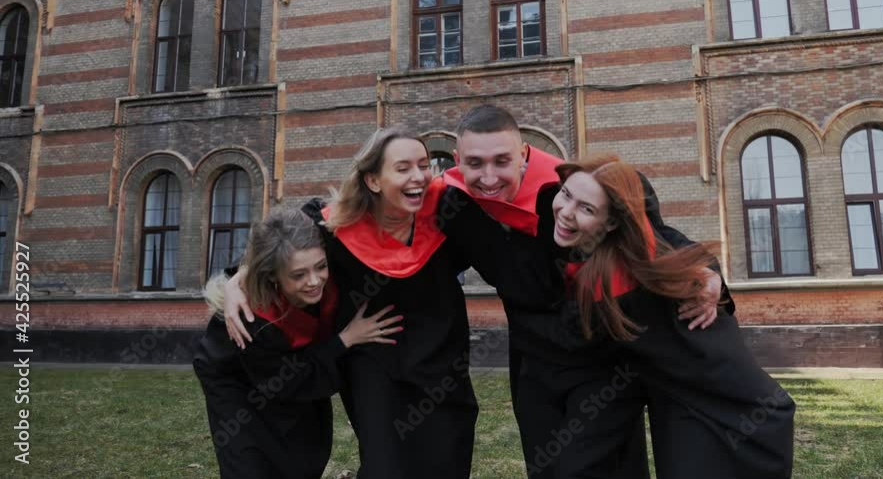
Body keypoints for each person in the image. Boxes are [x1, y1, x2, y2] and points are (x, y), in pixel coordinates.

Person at [439, 105, 729, 477]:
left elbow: (655, 235)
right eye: (475, 163)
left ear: (524, 154)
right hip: (534, 367)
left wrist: (710, 273)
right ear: (457, 160)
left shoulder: (570, 188)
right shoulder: (453, 205)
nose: (489, 177)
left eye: (501, 160)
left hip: (602, 360)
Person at [223, 129, 479, 479]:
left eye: (424, 165)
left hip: (441, 360)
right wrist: (237, 278)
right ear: (373, 180)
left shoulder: (447, 211)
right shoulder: (335, 224)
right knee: (385, 465)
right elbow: (278, 244)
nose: (418, 176)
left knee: (446, 459)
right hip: (375, 365)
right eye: (402, 168)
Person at [548, 155, 796, 478]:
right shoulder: (599, 236)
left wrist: (712, 277)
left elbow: (672, 243)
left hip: (719, 394)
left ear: (611, 223)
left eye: (586, 208)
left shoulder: (631, 276)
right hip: (657, 382)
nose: (566, 212)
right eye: (565, 194)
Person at [192, 208, 403, 479]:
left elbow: (318, 209)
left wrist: (239, 274)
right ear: (273, 276)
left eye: (321, 267)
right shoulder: (254, 319)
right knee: (249, 459)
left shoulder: (323, 234)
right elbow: (284, 381)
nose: (314, 281)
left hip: (295, 360)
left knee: (304, 451)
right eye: (298, 275)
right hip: (235, 375)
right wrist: (346, 339)